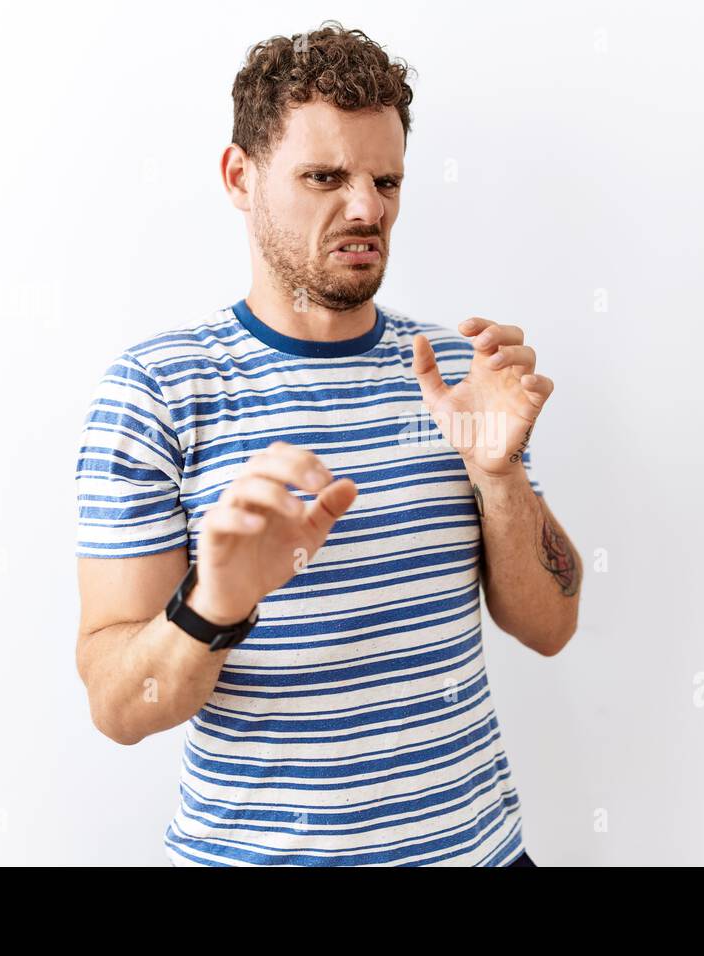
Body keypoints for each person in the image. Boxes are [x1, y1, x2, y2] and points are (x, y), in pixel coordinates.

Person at [73, 20, 582, 867]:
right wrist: (215, 601)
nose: (366, 208)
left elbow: (552, 625)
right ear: (240, 177)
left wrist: (498, 479)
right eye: (325, 177)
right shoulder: (158, 390)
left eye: (387, 179)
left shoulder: (455, 372)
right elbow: (120, 707)